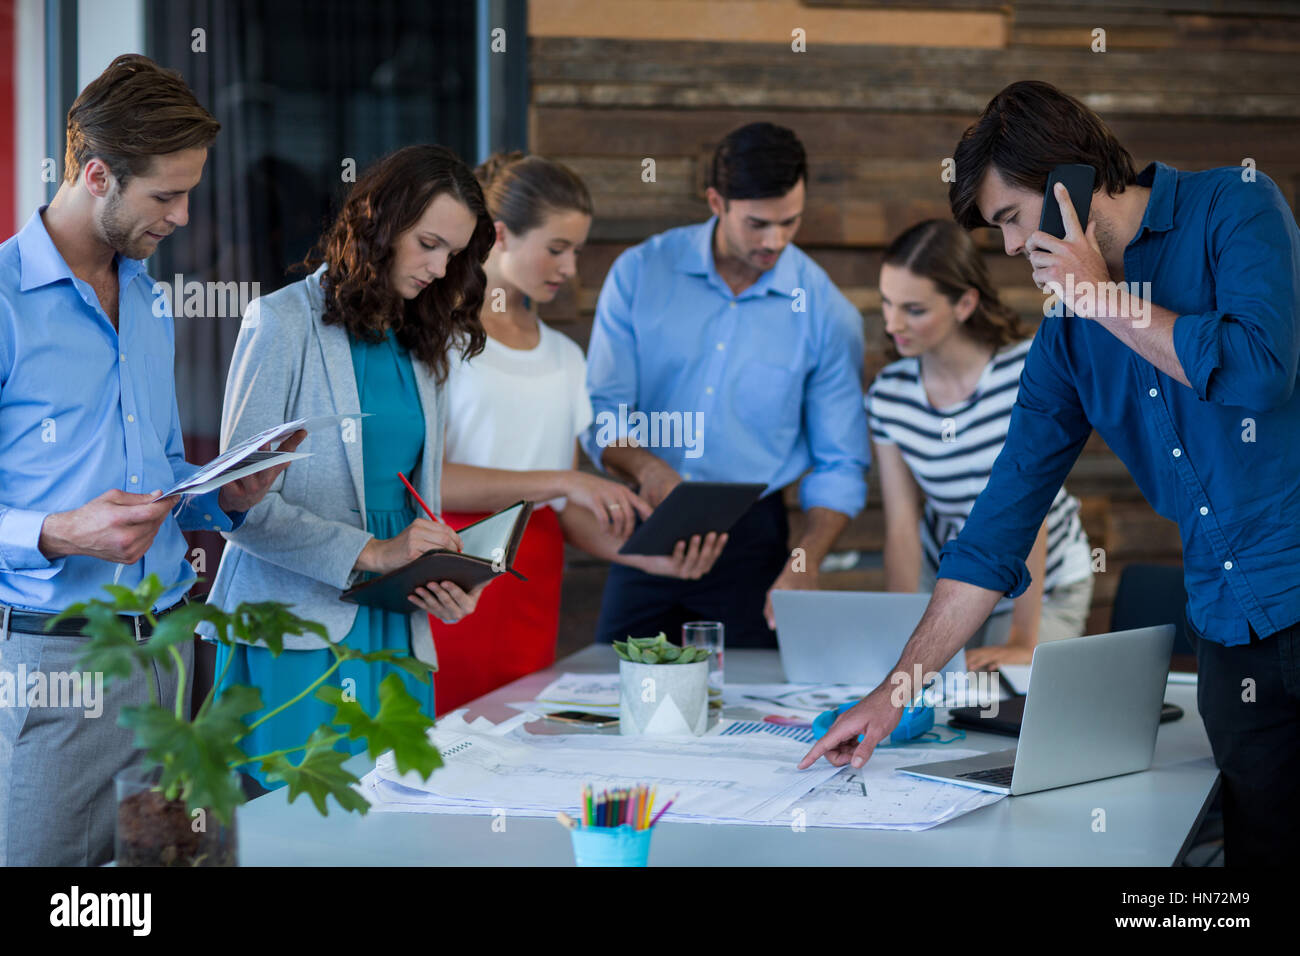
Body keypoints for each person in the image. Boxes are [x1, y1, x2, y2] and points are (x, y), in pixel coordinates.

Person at [800, 81, 1300, 866]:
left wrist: (1099, 296)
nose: (1004, 247)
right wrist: (897, 690)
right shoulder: (1066, 340)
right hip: (1230, 630)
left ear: (1068, 181)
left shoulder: (1235, 206)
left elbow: (1258, 373)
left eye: (1008, 217)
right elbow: (998, 524)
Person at [0, 54, 295, 866]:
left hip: (173, 651)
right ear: (96, 174)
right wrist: (59, 531)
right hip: (59, 664)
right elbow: (60, 524)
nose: (185, 216)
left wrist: (226, 496)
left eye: (191, 191)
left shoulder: (148, 296)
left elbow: (161, 471)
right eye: (166, 195)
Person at [200, 145, 494, 790]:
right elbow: (236, 507)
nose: (441, 268)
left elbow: (412, 497)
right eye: (428, 243)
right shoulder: (280, 321)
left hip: (397, 625)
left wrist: (442, 576)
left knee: (398, 829)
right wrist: (374, 551)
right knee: (298, 835)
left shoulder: (424, 337)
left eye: (455, 253)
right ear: (379, 223)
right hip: (294, 628)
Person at [432, 152, 727, 714]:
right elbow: (430, 481)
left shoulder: (566, 357)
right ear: (500, 236)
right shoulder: (438, 340)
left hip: (533, 584)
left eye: (577, 251)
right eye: (557, 248)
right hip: (452, 580)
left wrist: (650, 559)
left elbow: (564, 509)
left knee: (516, 750)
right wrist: (566, 479)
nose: (570, 269)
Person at [583, 122, 869, 649]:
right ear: (716, 201)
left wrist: (803, 561)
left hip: (753, 542)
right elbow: (603, 413)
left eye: (790, 222)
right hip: (648, 521)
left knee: (748, 710)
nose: (775, 241)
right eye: (758, 224)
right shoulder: (639, 275)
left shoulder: (827, 312)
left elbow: (841, 464)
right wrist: (649, 470)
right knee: (612, 695)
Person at [867, 219, 1094, 670]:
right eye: (886, 304)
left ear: (965, 303)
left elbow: (1033, 511)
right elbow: (901, 529)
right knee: (937, 696)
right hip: (959, 582)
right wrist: (902, 645)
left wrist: (1022, 641)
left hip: (1044, 584)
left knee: (1005, 688)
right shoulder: (888, 395)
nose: (893, 324)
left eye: (913, 310)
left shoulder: (1026, 373)